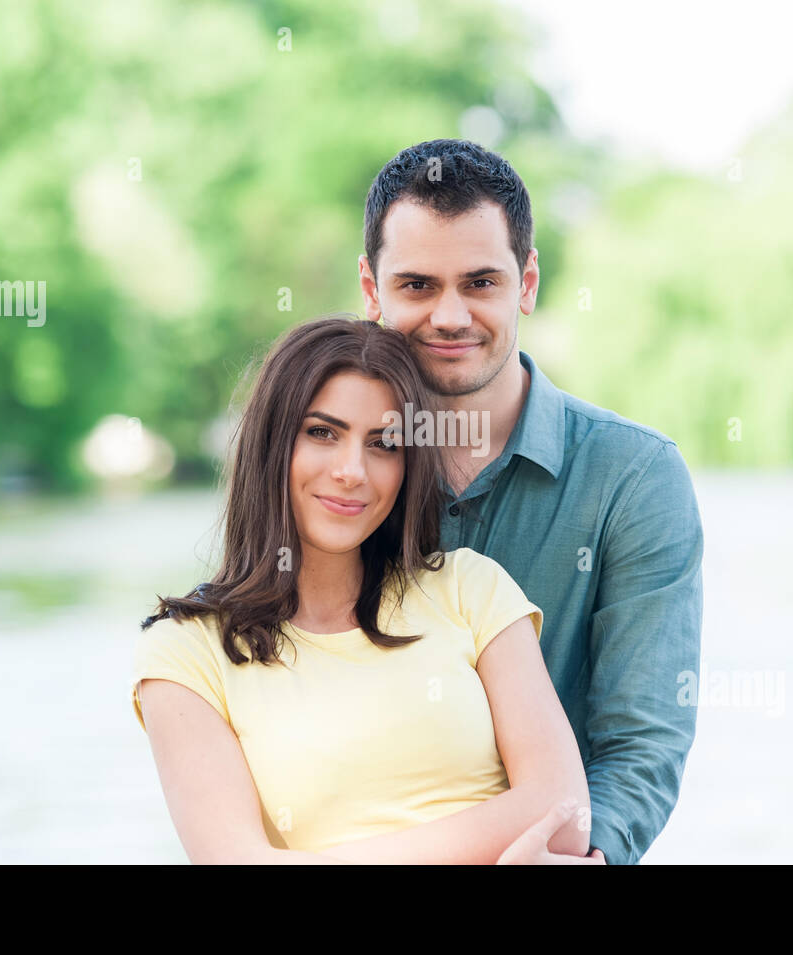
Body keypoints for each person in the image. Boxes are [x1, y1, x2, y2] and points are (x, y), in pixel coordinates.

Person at [130, 317, 599, 864]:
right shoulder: (186, 650)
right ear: (272, 442)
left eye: (384, 444)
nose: (352, 471)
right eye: (322, 432)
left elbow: (566, 813)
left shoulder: (471, 587)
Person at [357, 139, 705, 864]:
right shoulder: (329, 473)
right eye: (417, 285)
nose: (450, 316)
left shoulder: (634, 476)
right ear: (371, 289)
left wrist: (586, 857)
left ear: (528, 282)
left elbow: (641, 741)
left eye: (480, 282)